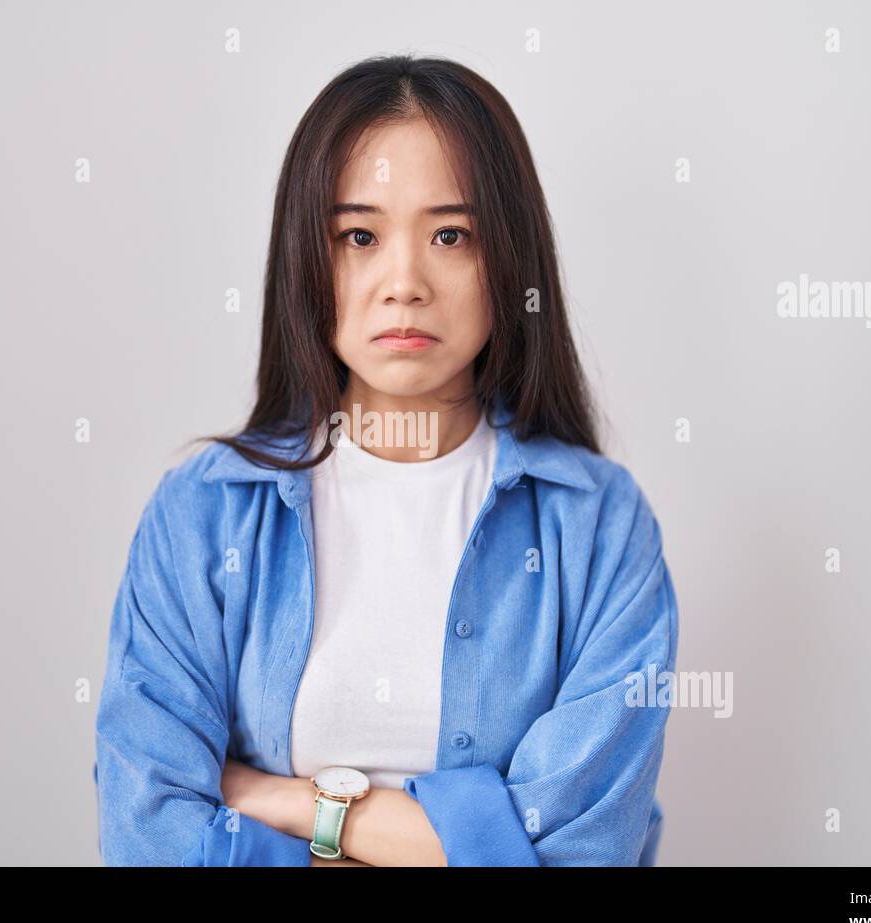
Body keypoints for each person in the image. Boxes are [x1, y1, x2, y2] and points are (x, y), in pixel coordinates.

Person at [93, 53, 679, 867]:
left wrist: (284, 800)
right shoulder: (203, 512)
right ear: (308, 260)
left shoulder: (599, 525)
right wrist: (477, 839)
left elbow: (584, 848)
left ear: (508, 260)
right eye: (359, 236)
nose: (403, 283)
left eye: (450, 234)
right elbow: (148, 833)